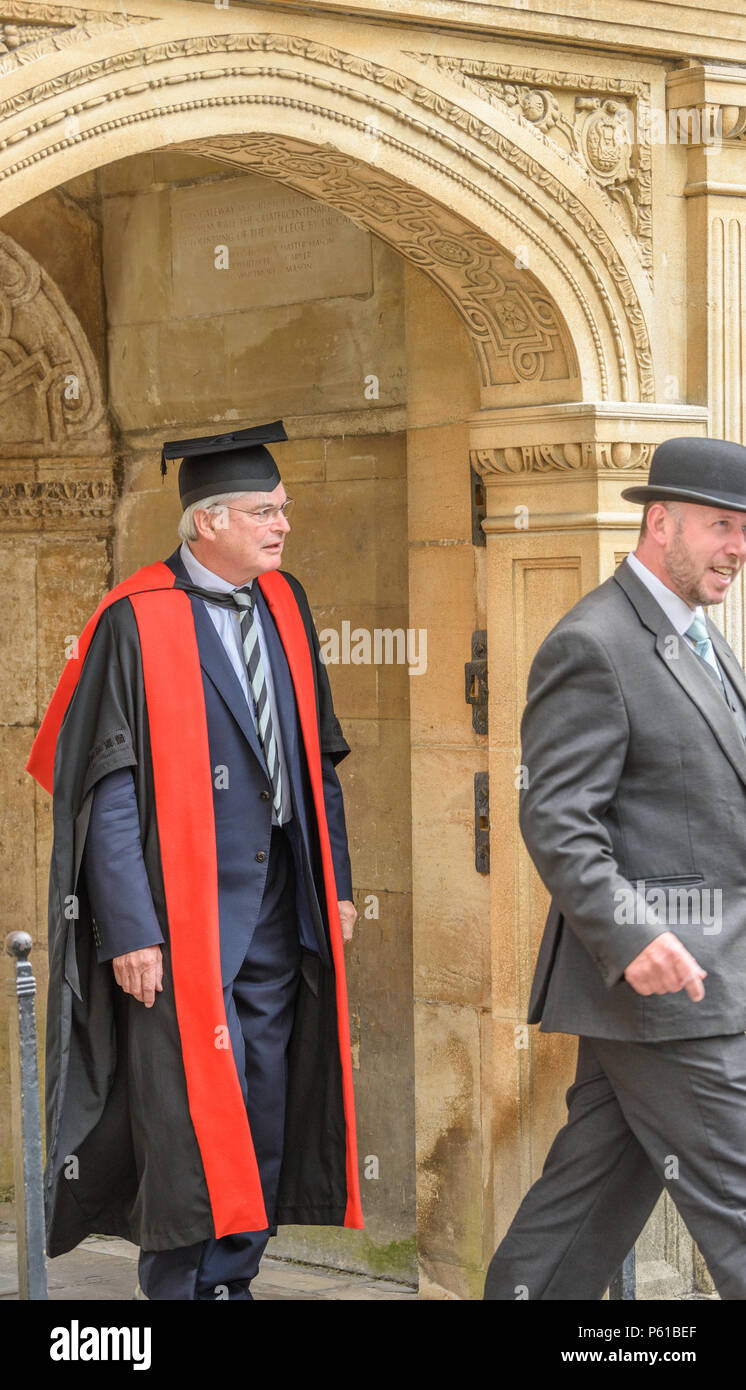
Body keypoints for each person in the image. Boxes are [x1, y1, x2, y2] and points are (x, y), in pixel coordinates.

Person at [27, 420, 363, 1301]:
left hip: (281, 905)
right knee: (184, 1113)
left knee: (264, 1097)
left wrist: (339, 884)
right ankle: (179, 1287)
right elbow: (106, 789)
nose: (281, 525)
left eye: (282, 509)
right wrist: (130, 929)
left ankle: (234, 1279)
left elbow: (316, 760)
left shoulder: (287, 605)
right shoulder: (134, 620)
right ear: (205, 523)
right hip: (182, 918)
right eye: (264, 511)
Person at [483, 436, 746, 1302]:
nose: (737, 548)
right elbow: (556, 817)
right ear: (660, 520)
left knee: (584, 1206)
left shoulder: (704, 641)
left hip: (706, 981)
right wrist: (636, 936)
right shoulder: (592, 643)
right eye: (721, 527)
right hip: (670, 990)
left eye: (745, 531)